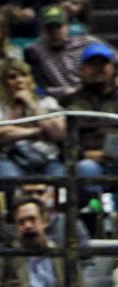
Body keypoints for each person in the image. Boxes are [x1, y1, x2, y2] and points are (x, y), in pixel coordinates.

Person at [0, 59, 66, 179]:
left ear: (30, 79)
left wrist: (32, 104)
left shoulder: (47, 102)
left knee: (60, 180)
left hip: (46, 159)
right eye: (12, 77)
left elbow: (59, 133)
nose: (19, 80)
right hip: (6, 158)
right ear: (3, 83)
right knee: (11, 178)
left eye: (24, 75)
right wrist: (36, 132)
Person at [62, 44, 118, 202]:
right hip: (88, 161)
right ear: (81, 70)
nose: (98, 68)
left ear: (113, 68)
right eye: (92, 64)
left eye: (103, 64)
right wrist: (84, 154)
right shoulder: (69, 101)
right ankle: (98, 218)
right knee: (86, 168)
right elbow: (62, 138)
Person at [25, 4, 113, 99]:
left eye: (58, 27)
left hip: (95, 90)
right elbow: (39, 86)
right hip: (63, 99)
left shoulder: (88, 42)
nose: (54, 33)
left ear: (66, 26)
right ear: (42, 30)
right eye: (49, 28)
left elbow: (114, 58)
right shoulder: (35, 51)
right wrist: (62, 91)